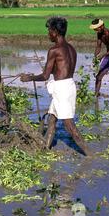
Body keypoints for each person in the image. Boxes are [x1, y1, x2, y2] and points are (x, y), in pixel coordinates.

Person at [20, 17, 92, 156]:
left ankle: (90, 156)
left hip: (62, 90)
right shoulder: (71, 49)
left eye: (49, 30)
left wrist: (29, 78)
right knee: (52, 118)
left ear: (55, 32)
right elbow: (61, 70)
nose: (48, 34)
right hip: (69, 85)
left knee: (69, 126)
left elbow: (46, 76)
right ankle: (46, 148)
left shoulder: (54, 50)